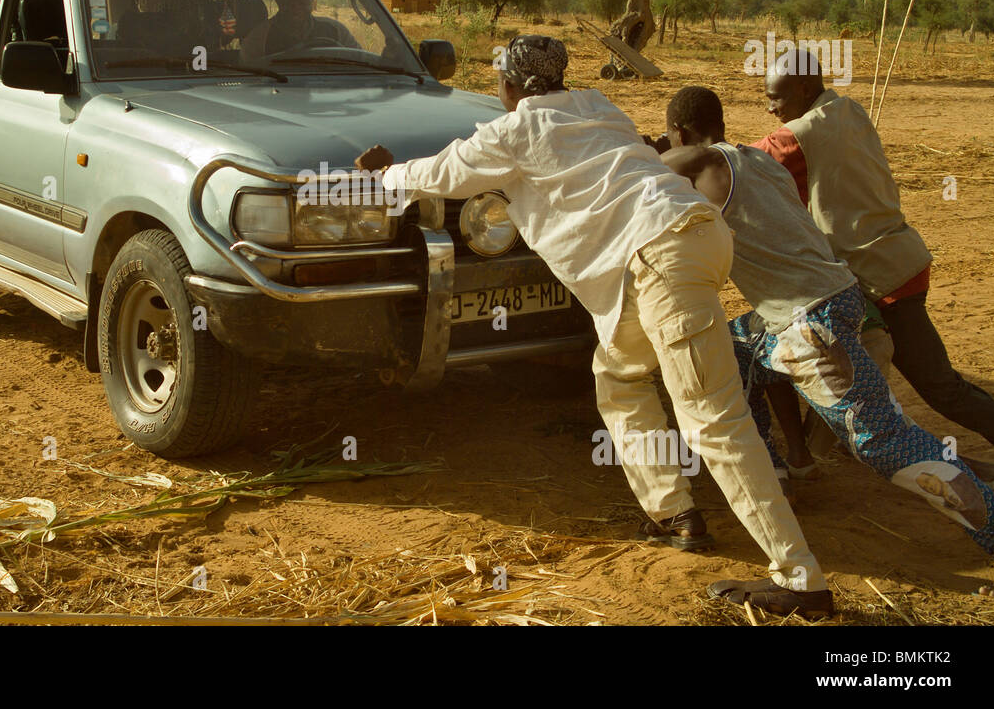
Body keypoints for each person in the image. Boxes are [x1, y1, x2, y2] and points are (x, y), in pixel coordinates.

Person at [355, 35, 833, 619]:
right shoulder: (600, 105)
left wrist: (384, 174)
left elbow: (441, 172)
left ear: (507, 85)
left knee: (714, 418)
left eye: (497, 81)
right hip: (680, 245)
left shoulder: (514, 132)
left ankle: (801, 579)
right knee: (619, 376)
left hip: (660, 253)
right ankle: (675, 512)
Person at [661, 86, 994, 583]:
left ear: (682, 131)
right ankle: (776, 470)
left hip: (810, 323)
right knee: (732, 348)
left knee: (885, 443)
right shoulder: (760, 161)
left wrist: (650, 149)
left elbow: (663, 166)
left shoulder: (701, 161)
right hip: (833, 301)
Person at [754, 49, 994, 453]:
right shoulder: (847, 109)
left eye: (776, 97)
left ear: (801, 88)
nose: (770, 107)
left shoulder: (802, 133)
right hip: (892, 259)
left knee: (941, 388)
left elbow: (741, 165)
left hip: (883, 276)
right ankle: (830, 444)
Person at [241, 0, 358, 62]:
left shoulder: (336, 31)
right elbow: (248, 78)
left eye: (302, 1)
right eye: (289, 2)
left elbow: (361, 62)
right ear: (278, 0)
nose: (296, 7)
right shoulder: (259, 38)